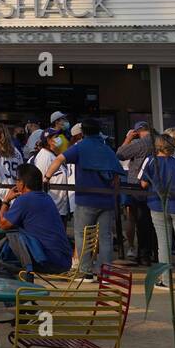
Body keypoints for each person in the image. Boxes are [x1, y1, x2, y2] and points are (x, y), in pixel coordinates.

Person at [44, 117, 122, 281]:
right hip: (107, 200)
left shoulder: (80, 147)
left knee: (83, 235)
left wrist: (47, 177)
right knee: (105, 237)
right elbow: (116, 176)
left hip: (86, 199)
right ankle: (106, 273)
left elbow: (59, 159)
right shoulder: (106, 148)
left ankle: (86, 271)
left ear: (83, 132)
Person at [0, 164, 73, 279]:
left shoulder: (24, 200)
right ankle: (24, 291)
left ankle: (16, 294)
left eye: (17, 180)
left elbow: (3, 224)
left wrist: (6, 201)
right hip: (64, 259)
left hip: (48, 261)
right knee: (21, 251)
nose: (16, 183)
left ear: (22, 183)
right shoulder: (47, 198)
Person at [139, 133, 175, 292]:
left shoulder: (150, 161)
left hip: (157, 205)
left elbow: (143, 183)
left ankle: (166, 281)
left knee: (163, 245)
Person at [117, 123, 158, 265]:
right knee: (155, 221)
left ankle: (143, 255)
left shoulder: (141, 143)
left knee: (141, 220)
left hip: (138, 185)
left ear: (138, 132)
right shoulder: (159, 140)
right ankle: (156, 253)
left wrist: (128, 138)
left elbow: (120, 154)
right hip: (156, 185)